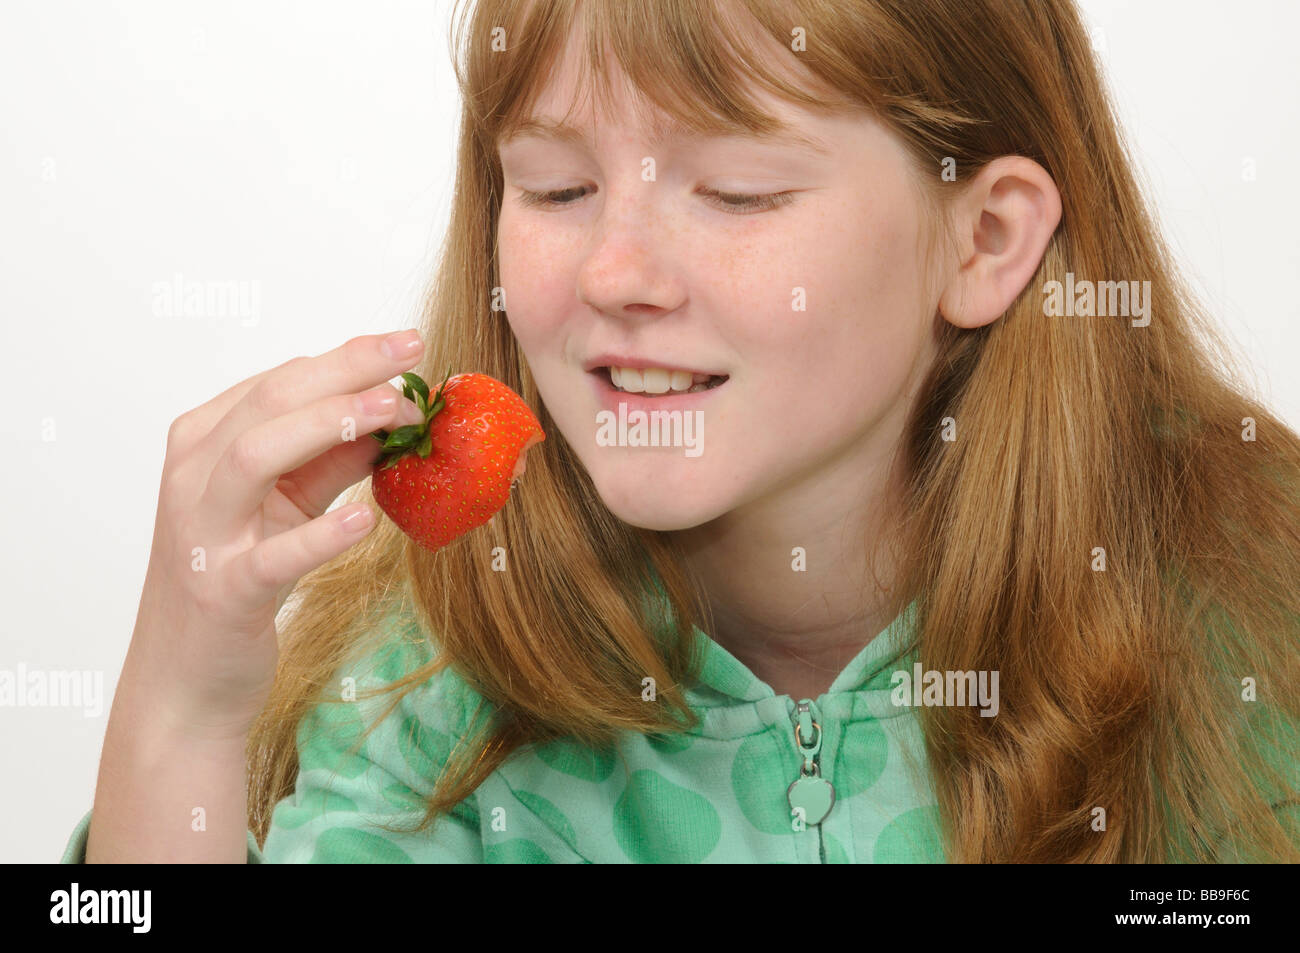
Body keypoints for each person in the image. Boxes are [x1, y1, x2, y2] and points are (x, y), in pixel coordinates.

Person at [65, 0, 1299, 863]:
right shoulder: (418, 690)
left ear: (982, 241)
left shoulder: (1253, 623)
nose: (615, 271)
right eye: (554, 188)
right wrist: (182, 707)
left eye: (737, 192)